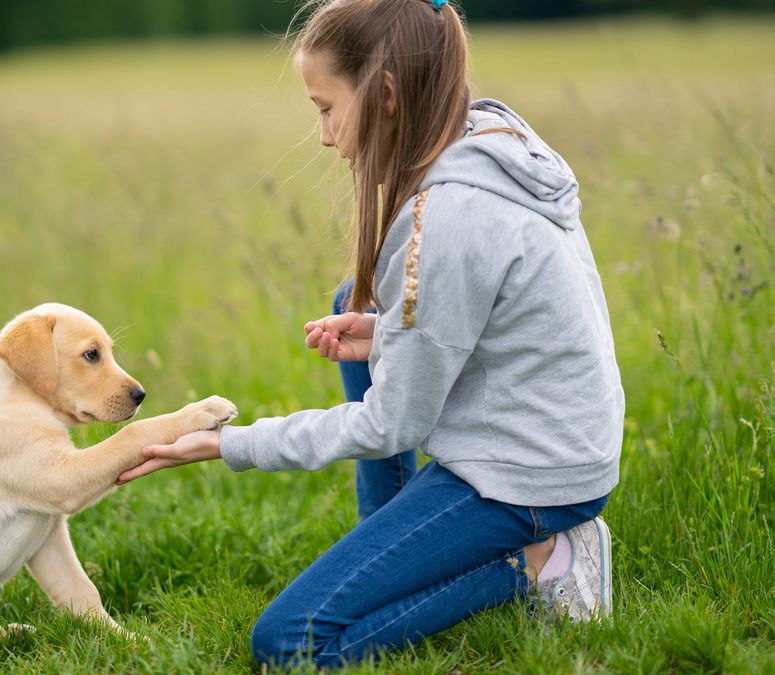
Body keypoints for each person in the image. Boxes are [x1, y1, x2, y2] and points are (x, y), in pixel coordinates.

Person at [117, 0, 622, 666]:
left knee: (289, 643)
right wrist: (387, 335)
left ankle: (538, 559)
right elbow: (487, 316)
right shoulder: (486, 136)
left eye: (326, 109)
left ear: (385, 95)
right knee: (345, 301)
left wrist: (229, 443)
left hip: (530, 475)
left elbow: (389, 426)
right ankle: (390, 539)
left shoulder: (448, 219)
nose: (324, 136)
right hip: (560, 433)